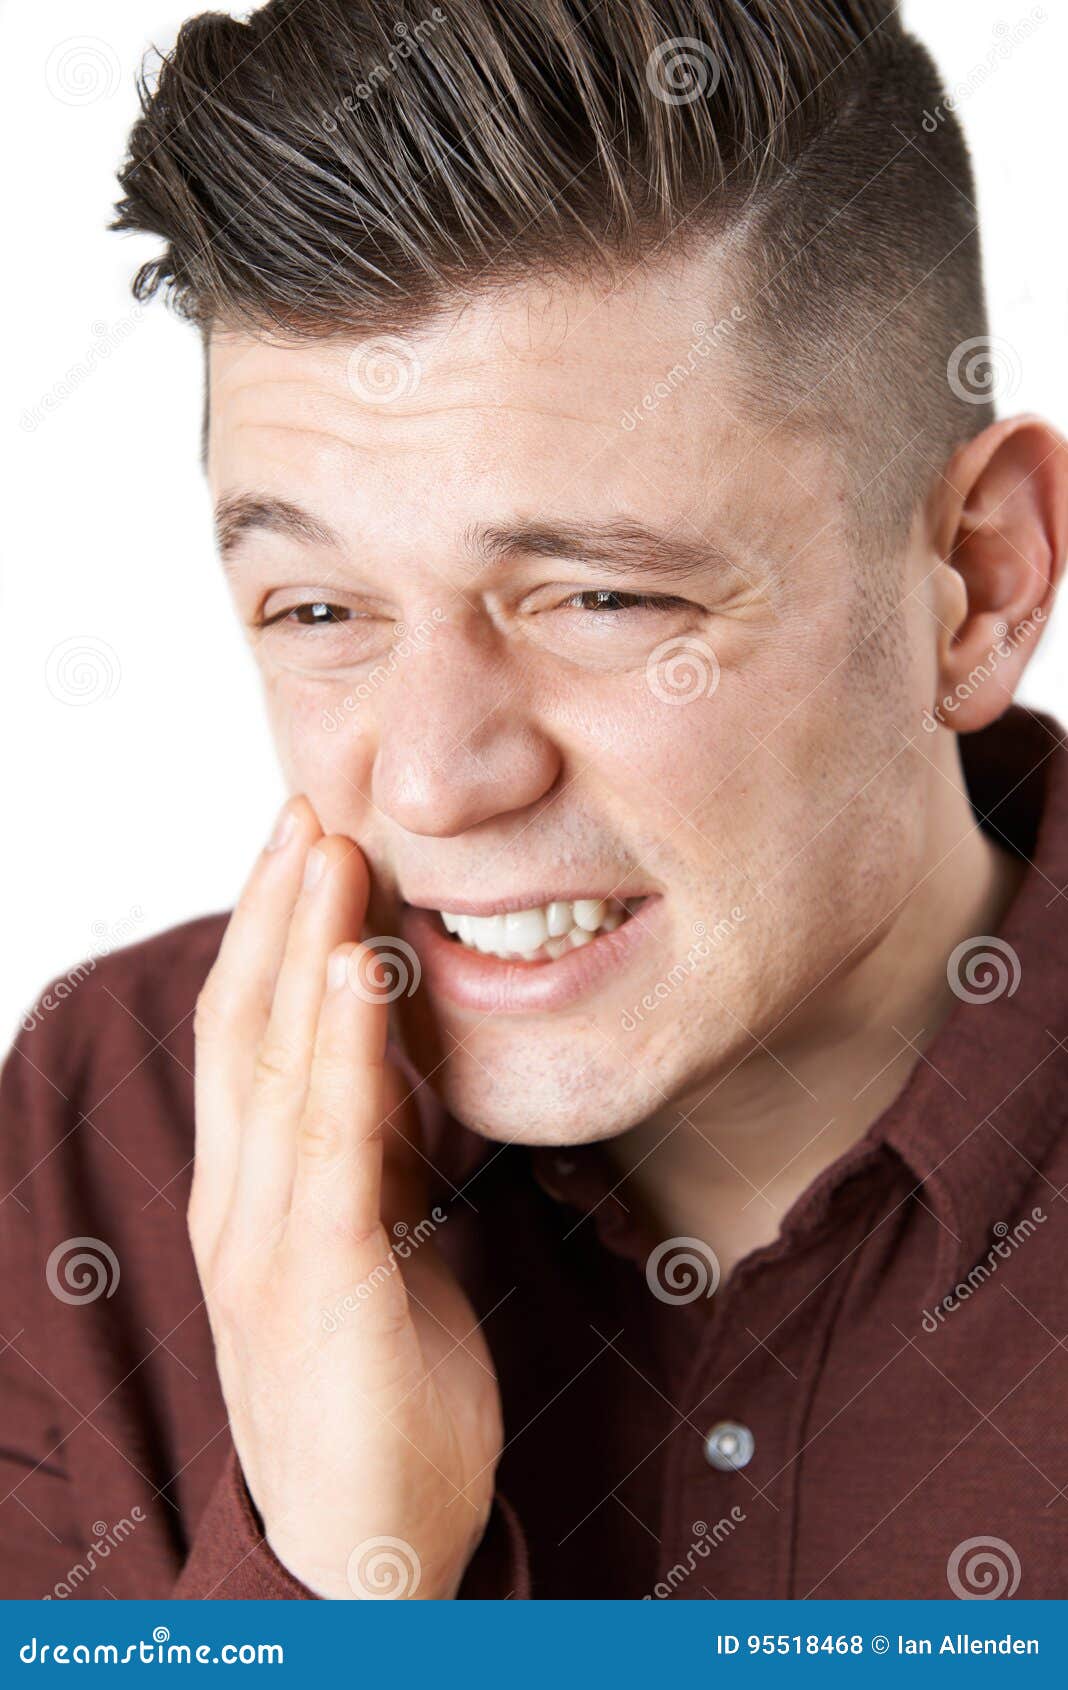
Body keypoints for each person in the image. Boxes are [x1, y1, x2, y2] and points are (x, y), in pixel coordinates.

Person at [3, 0, 1066, 1601]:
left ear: (979, 583)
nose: (431, 777)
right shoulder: (115, 1118)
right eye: (318, 610)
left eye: (600, 599)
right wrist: (345, 1586)